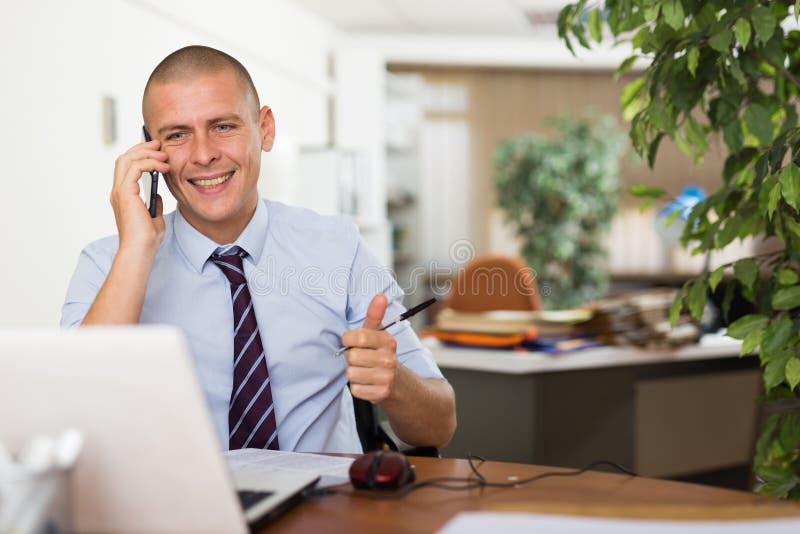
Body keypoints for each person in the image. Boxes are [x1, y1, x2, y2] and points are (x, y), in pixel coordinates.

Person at [61, 45, 456, 453]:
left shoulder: (338, 248)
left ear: (264, 129)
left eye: (223, 127)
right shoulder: (107, 263)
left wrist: (394, 382)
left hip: (322, 508)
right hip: (175, 510)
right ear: (150, 151)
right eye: (177, 135)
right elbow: (75, 418)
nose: (203, 155)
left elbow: (439, 425)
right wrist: (137, 250)